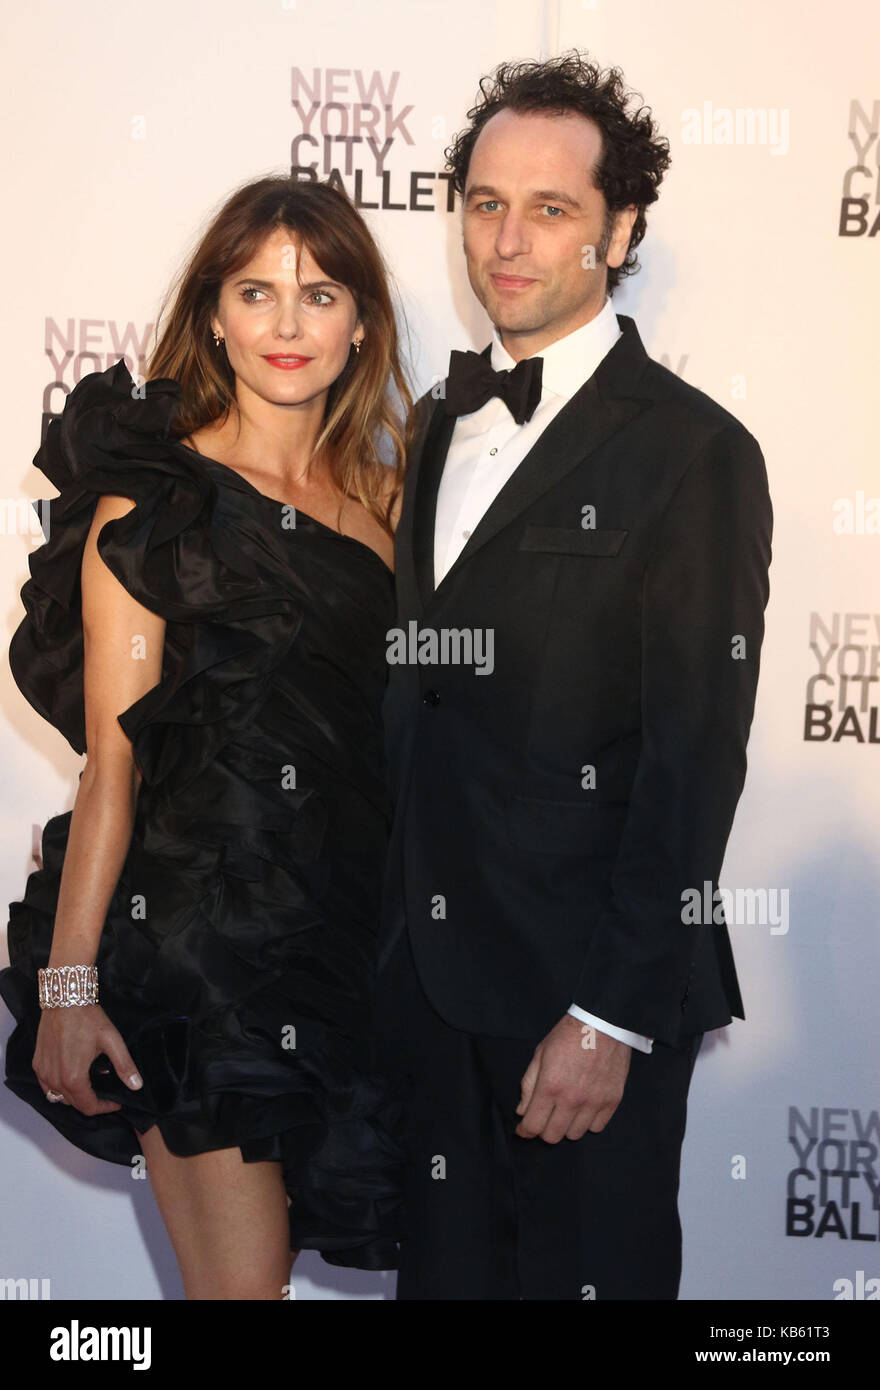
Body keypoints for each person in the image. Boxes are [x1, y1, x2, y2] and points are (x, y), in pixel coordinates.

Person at [375, 52, 773, 1300]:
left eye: (549, 209)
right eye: (485, 203)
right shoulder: (438, 426)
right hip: (434, 991)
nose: (507, 238)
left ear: (620, 226)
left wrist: (608, 1014)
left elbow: (692, 761)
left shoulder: (694, 451)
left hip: (582, 998)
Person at [1, 175, 413, 1299]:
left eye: (319, 294)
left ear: (361, 321)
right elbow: (113, 767)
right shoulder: (154, 501)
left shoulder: (388, 504)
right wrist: (69, 985)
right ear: (214, 312)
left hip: (342, 952)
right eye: (256, 291)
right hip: (200, 953)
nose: (287, 325)